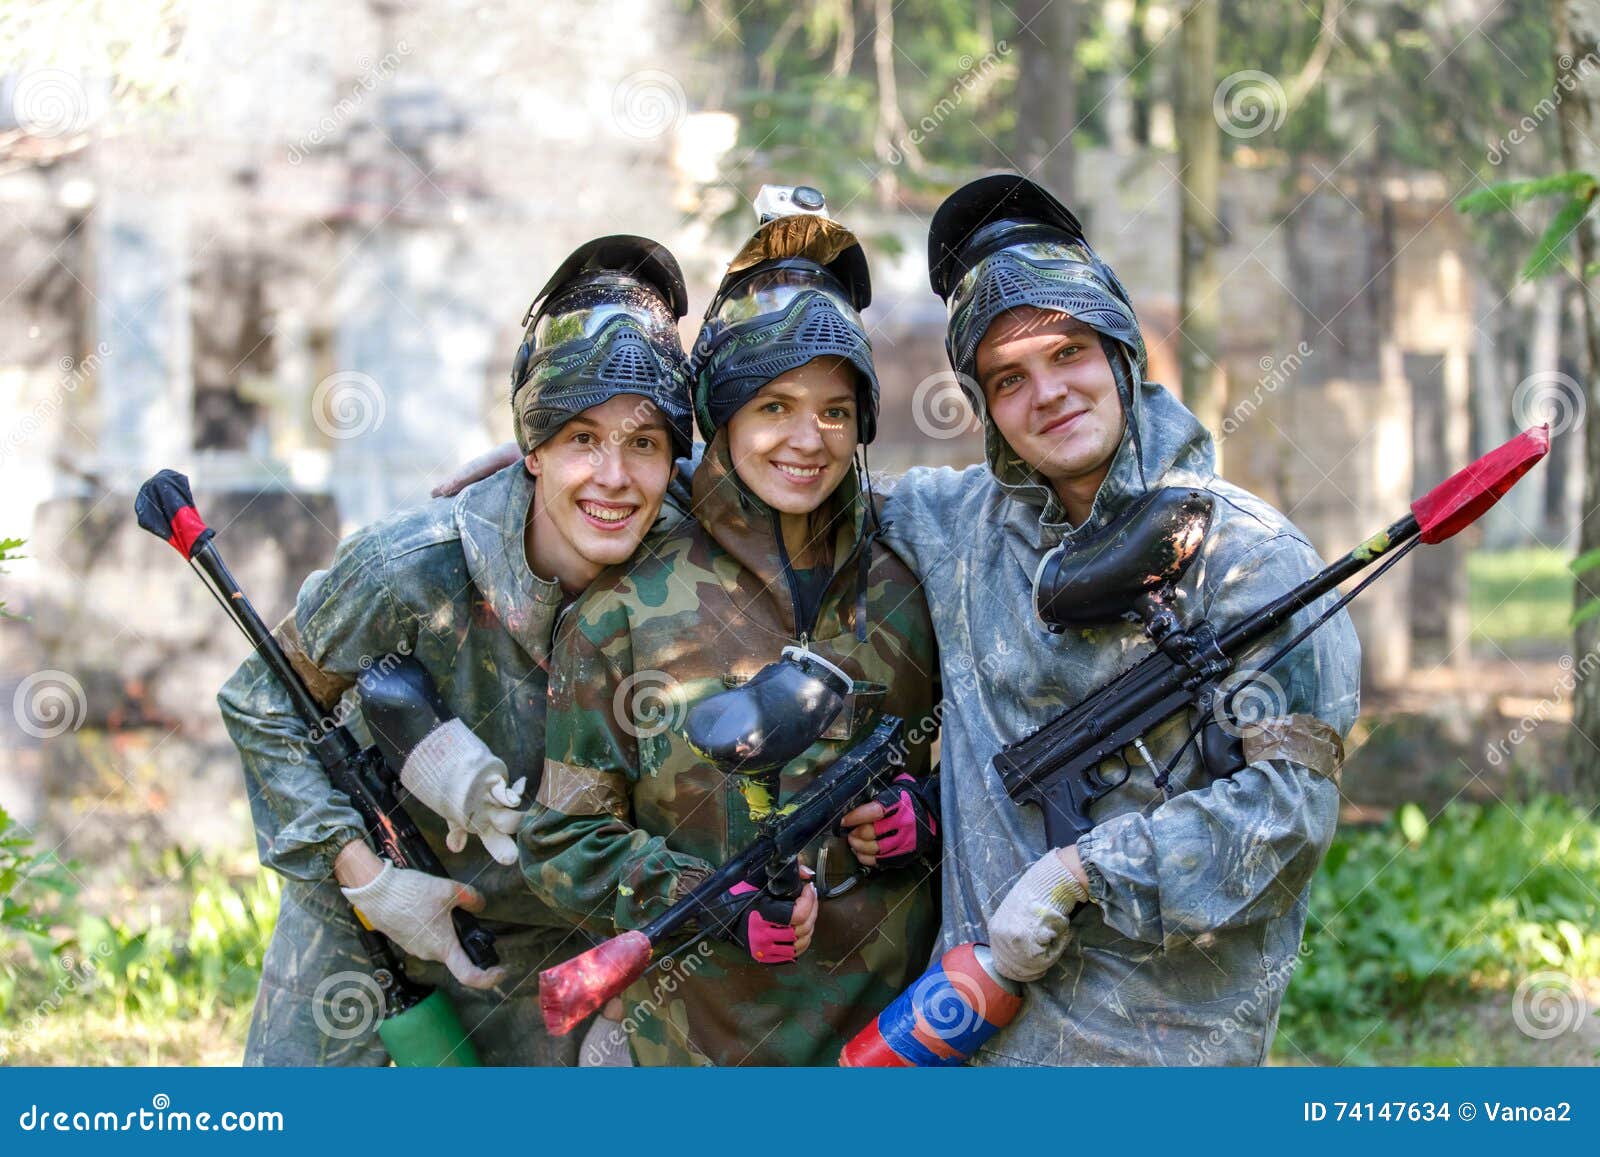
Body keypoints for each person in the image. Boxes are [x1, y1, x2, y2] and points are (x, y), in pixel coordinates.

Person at [875, 174, 1360, 1065]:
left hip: (1163, 1053)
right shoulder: (954, 531)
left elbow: (1291, 810)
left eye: (1068, 354)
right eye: (1009, 378)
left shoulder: (1252, 558)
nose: (1048, 393)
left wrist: (1084, 872)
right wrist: (577, 459)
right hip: (984, 1045)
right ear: (985, 409)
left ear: (1120, 355)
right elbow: (795, 481)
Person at [218, 235, 696, 1066]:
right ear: (531, 447)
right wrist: (368, 878)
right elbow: (263, 699)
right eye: (581, 437)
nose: (614, 476)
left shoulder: (696, 561)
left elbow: (794, 462)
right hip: (367, 919)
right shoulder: (413, 564)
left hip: (551, 949)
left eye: (644, 442)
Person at [518, 206, 942, 1066]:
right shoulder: (623, 610)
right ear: (722, 416)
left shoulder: (911, 580)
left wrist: (924, 818)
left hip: (903, 1042)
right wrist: (702, 895)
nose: (805, 438)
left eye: (833, 410)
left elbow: (978, 761)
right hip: (703, 1048)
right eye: (774, 405)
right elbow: (559, 843)